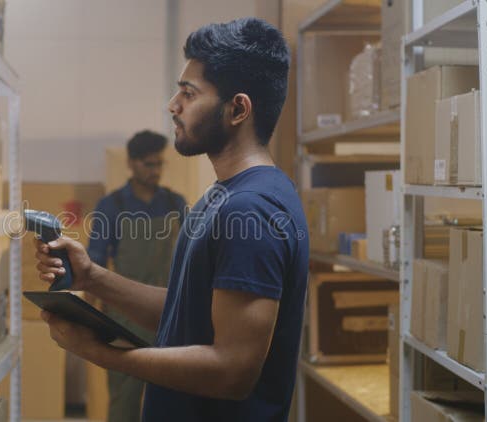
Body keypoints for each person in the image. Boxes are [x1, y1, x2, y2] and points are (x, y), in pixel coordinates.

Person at [33, 17, 308, 421]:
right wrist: (92, 276)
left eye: (188, 93)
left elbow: (233, 371)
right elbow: (186, 312)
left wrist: (102, 354)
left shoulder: (252, 209)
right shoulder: (220, 198)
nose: (172, 106)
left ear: (237, 109)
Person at [87, 130, 187, 422]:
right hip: (123, 317)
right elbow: (94, 264)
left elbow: (191, 258)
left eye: (159, 164)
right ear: (131, 163)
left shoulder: (175, 204)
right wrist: (84, 316)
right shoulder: (112, 206)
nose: (155, 171)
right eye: (148, 164)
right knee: (124, 399)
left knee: (171, 399)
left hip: (168, 313)